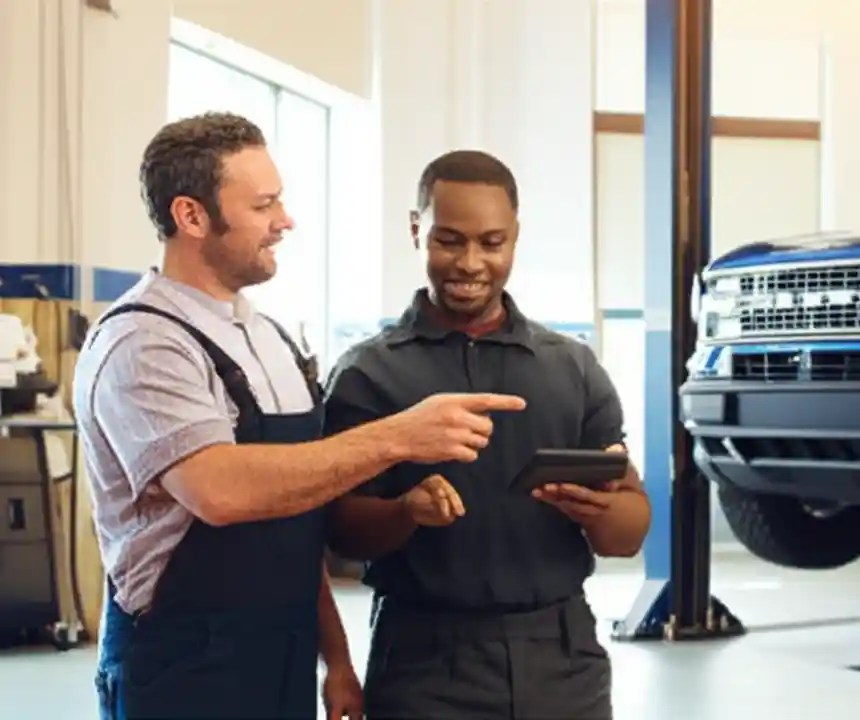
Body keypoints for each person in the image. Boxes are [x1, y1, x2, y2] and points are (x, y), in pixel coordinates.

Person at [73, 114, 526, 720]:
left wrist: (334, 658)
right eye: (264, 205)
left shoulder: (269, 339)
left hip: (280, 656)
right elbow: (223, 492)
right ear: (191, 216)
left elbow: (296, 517)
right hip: (181, 670)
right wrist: (398, 436)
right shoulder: (144, 344)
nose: (284, 220)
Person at [323, 149, 652, 719]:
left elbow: (628, 532)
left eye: (492, 243)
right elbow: (341, 536)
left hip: (563, 659)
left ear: (515, 237)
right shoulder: (367, 376)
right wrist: (406, 511)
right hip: (425, 664)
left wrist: (595, 510)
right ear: (415, 229)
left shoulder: (572, 370)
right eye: (448, 240)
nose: (470, 263)